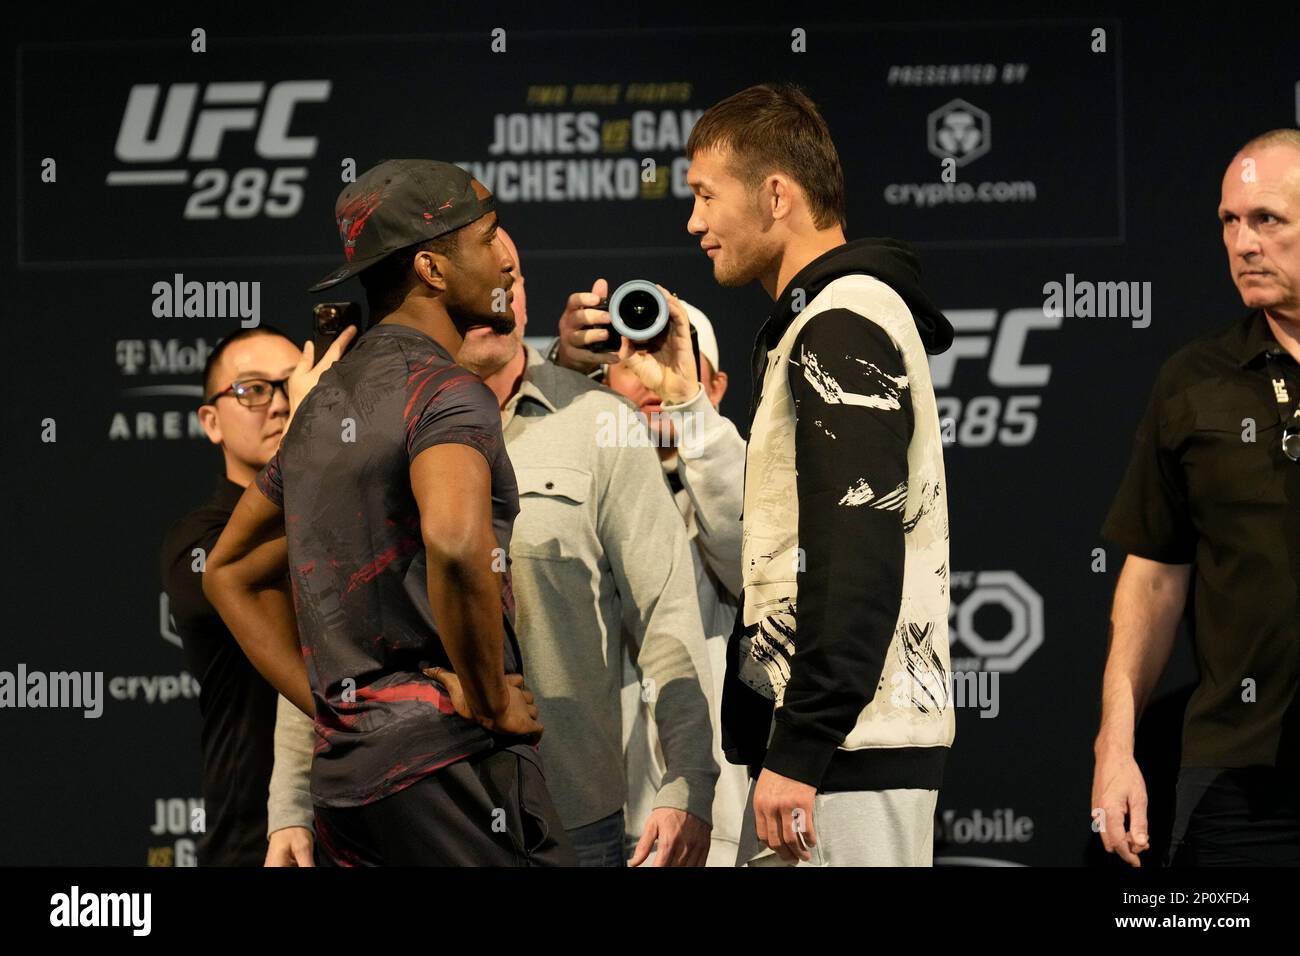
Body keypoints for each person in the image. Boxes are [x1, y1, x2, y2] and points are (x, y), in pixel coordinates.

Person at [264, 222, 718, 867]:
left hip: (571, 816)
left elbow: (666, 615)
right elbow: (325, 626)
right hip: (417, 808)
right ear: (439, 293)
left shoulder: (599, 422)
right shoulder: (361, 433)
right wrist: (289, 805)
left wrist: (689, 781)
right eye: (484, 279)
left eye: (511, 278)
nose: (497, 298)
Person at [204, 159, 571, 866]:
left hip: (350, 791)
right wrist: (490, 700)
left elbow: (230, 571)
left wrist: (349, 710)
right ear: (432, 269)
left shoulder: (319, 411)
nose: (507, 258)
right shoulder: (446, 393)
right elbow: (458, 543)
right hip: (454, 777)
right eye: (490, 236)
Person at [682, 82, 957, 866]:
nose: (694, 222)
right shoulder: (826, 317)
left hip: (844, 756)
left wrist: (800, 748)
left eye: (706, 195)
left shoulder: (841, 322)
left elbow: (856, 558)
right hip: (833, 750)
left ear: (775, 195)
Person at [1094, 128, 1300, 867]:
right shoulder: (1194, 382)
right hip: (1236, 779)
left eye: (1267, 219)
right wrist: (1116, 748)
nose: (1243, 243)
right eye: (1229, 221)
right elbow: (1152, 578)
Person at [555, 290, 750, 865]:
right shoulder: (576, 495)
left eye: (676, 359)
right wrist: (564, 368)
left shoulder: (736, 479)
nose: (651, 379)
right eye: (631, 361)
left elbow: (750, 562)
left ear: (714, 388)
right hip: (587, 823)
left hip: (712, 826)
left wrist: (687, 408)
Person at [159, 325, 306, 866]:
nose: (282, 405)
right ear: (211, 422)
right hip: (257, 839)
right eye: (252, 390)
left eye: (295, 385)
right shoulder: (197, 544)